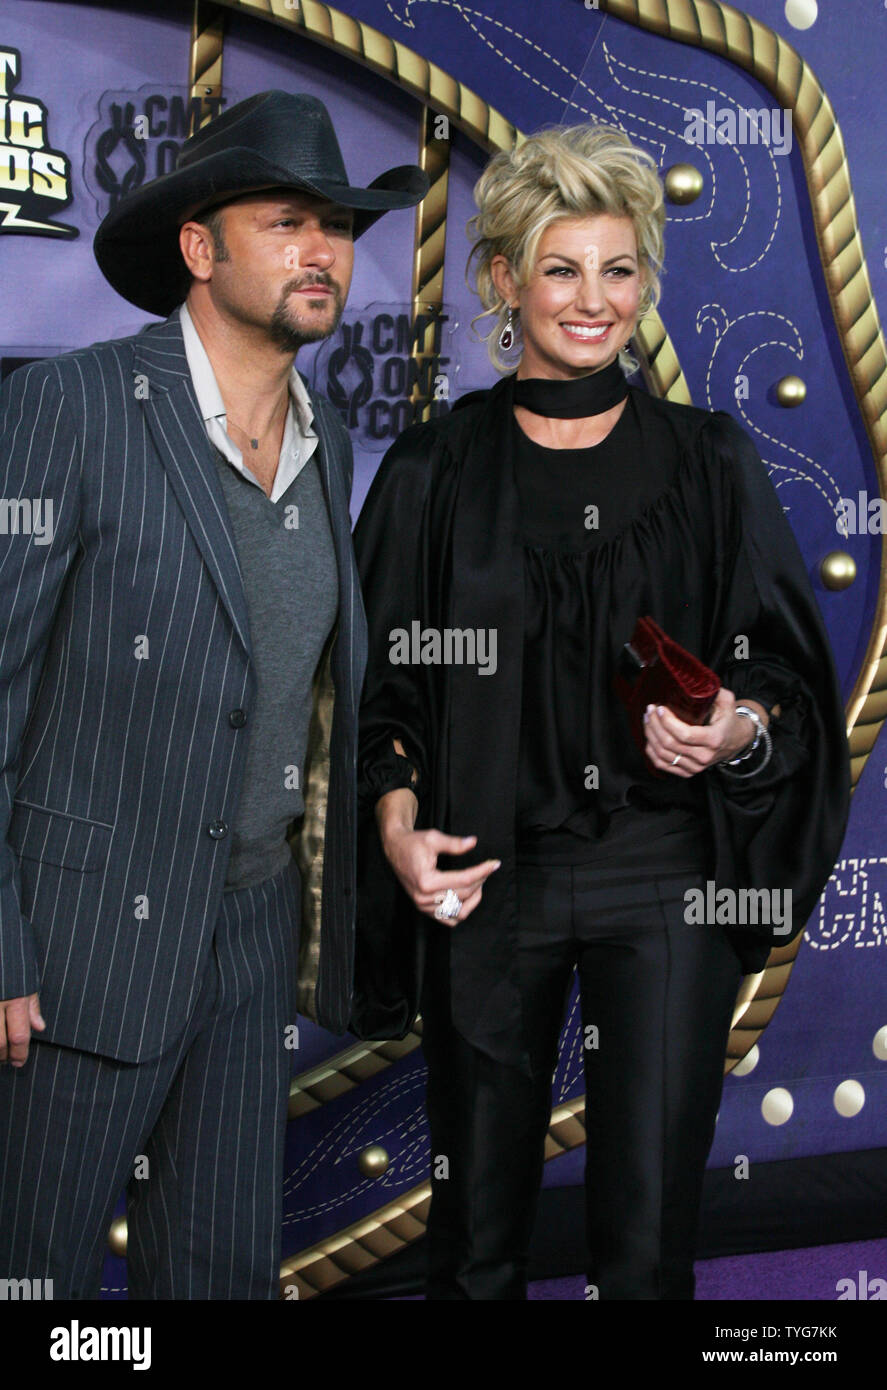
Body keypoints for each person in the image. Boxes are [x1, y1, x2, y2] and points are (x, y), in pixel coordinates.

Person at [353, 122, 849, 1300]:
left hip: (665, 875)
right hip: (483, 875)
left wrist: (732, 728)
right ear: (502, 280)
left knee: (644, 1243)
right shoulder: (433, 471)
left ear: (645, 283)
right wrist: (394, 824)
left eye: (617, 268)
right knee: (474, 1243)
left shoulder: (705, 461)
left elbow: (780, 679)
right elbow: (382, 697)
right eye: (560, 267)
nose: (591, 299)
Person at [0, 90, 427, 1299]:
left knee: (221, 1277)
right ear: (200, 247)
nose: (324, 252)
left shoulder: (327, 436)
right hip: (74, 946)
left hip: (247, 936)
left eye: (339, 227)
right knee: (30, 1280)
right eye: (288, 220)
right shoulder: (66, 410)